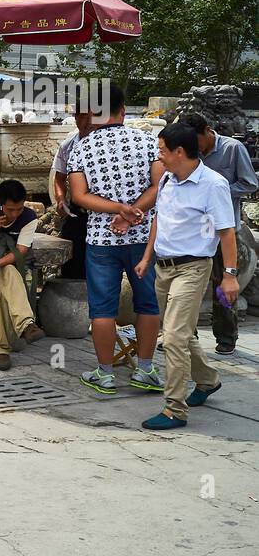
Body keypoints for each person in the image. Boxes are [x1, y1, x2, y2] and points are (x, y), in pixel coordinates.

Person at [133, 121, 240, 429]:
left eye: (162, 150)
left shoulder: (213, 184)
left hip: (193, 268)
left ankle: (174, 409)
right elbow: (159, 219)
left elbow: (227, 231)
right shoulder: (167, 178)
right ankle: (207, 380)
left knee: (174, 337)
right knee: (179, 333)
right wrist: (146, 257)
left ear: (179, 151)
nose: (159, 156)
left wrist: (230, 275)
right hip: (163, 268)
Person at [67, 84, 165, 395]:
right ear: (122, 111)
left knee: (103, 310)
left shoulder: (80, 148)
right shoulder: (148, 141)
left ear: (94, 113)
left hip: (101, 239)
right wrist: (131, 211)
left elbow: (79, 196)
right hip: (142, 238)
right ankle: (146, 370)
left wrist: (116, 210)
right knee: (148, 303)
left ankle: (105, 373)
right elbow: (160, 185)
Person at [176, 112, 257, 355]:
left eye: (196, 142)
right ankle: (186, 336)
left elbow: (250, 183)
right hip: (195, 229)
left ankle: (226, 337)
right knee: (190, 285)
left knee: (224, 285)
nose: (194, 148)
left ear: (208, 131)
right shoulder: (191, 152)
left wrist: (217, 191)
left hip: (223, 228)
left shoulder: (232, 148)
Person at [0, 179, 46, 370]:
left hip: (15, 270)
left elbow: (20, 251)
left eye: (19, 209)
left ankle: (1, 350)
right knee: (9, 276)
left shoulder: (28, 217)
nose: (15, 214)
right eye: (10, 209)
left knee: (8, 282)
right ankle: (27, 324)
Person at [50, 110, 94, 280]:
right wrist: (61, 199)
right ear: (76, 118)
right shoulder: (68, 146)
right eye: (83, 116)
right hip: (77, 211)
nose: (88, 121)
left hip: (103, 211)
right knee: (73, 260)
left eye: (93, 116)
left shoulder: (107, 144)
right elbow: (59, 178)